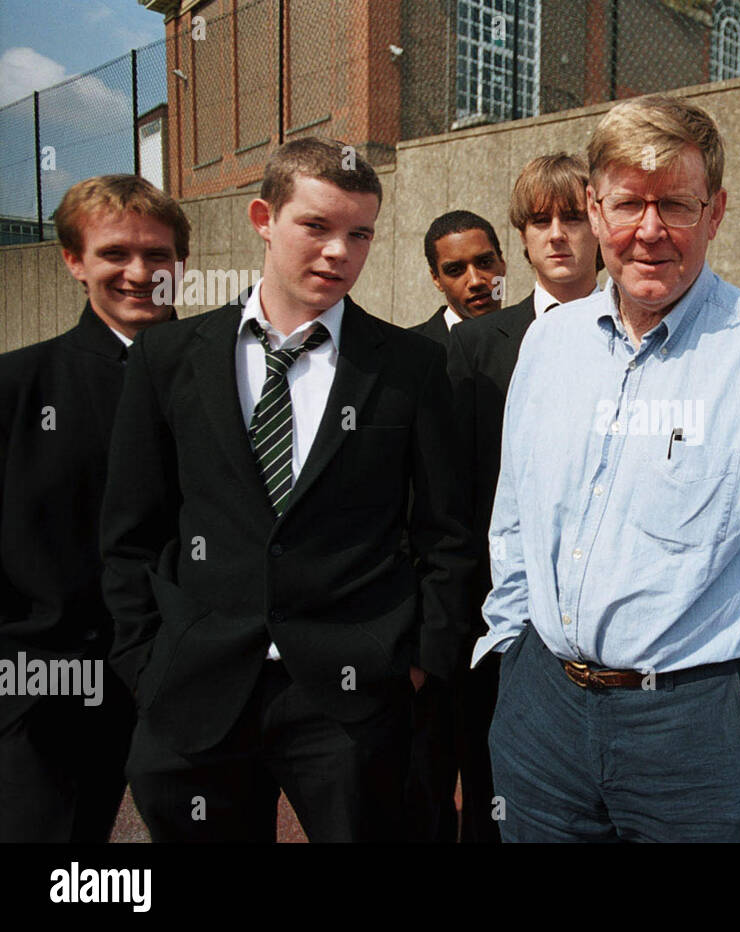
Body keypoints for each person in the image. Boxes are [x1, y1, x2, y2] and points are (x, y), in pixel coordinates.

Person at [474, 94, 740, 842]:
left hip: (698, 733)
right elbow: (514, 515)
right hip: (542, 714)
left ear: (715, 211)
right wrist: (509, 645)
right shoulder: (546, 345)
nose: (650, 231)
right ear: (594, 207)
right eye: (628, 203)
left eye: (674, 204)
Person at [101, 137, 474, 842]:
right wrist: (146, 662)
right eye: (317, 226)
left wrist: (419, 663)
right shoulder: (167, 358)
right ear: (262, 218)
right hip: (197, 690)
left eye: (359, 234)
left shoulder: (411, 367)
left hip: (351, 698)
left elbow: (448, 535)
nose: (339, 252)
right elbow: (131, 533)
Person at [0, 175, 188, 842]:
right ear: (74, 261)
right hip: (49, 690)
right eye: (114, 253)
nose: (139, 273)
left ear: (181, 266)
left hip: (195, 681)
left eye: (158, 256)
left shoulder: (238, 381)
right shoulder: (15, 389)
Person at [430, 153, 602, 843]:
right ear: (521, 240)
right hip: (500, 624)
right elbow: (455, 495)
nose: (557, 234)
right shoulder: (474, 346)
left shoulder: (649, 329)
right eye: (539, 220)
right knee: (494, 794)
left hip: (607, 633)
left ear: (599, 223)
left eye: (571, 216)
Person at [412, 211, 507, 342]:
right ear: (436, 279)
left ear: (502, 264)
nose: (475, 281)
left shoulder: (532, 337)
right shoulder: (407, 351)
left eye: (485, 263)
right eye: (455, 270)